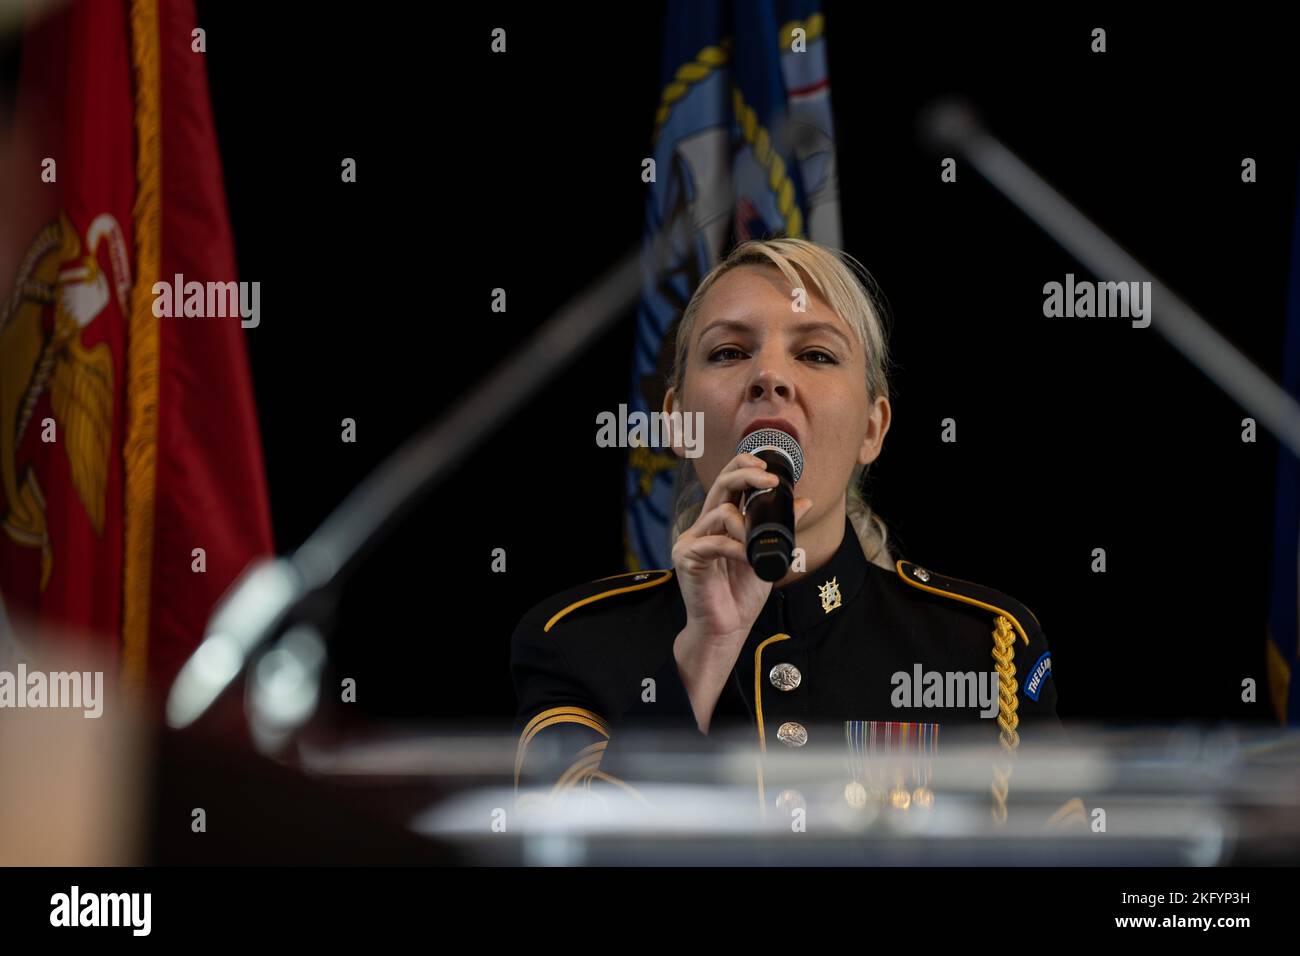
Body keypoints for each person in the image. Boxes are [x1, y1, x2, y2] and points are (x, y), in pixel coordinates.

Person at [510, 237, 1084, 829]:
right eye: (730, 352)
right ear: (678, 423)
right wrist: (704, 650)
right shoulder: (574, 641)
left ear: (872, 428)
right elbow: (569, 850)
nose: (769, 377)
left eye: (815, 355)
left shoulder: (985, 648)